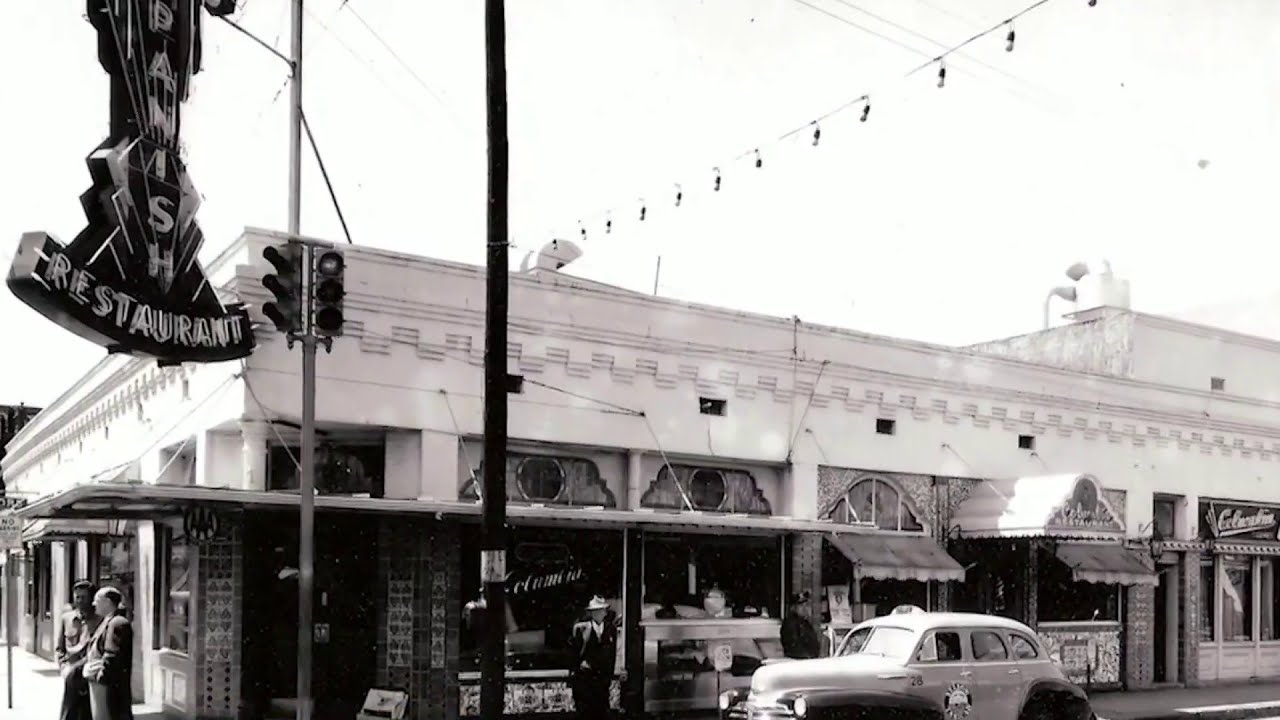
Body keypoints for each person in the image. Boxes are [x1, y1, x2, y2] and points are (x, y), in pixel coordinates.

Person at [83, 586, 133, 720]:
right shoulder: (107, 620)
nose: (93, 604)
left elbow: (112, 655)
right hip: (100, 683)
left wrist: (100, 677)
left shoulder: (117, 623)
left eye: (97, 600)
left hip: (108, 687)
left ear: (107, 602)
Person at [57, 580, 102, 720]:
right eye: (77, 597)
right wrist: (63, 667)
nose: (80, 601)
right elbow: (60, 649)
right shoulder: (67, 619)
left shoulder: (101, 620)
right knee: (69, 714)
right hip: (71, 675)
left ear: (92, 599)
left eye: (84, 597)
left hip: (91, 675)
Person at [569, 595, 618, 720]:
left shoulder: (610, 629)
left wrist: (609, 677)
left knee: (602, 711)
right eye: (595, 611)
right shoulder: (580, 629)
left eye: (601, 610)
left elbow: (612, 654)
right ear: (591, 613)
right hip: (585, 680)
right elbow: (573, 654)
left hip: (602, 681)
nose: (599, 613)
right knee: (585, 712)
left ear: (605, 612)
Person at [780, 591, 821, 659]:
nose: (804, 608)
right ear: (794, 607)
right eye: (801, 605)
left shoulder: (805, 623)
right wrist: (807, 657)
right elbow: (793, 646)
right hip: (797, 662)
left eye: (806, 605)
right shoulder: (790, 623)